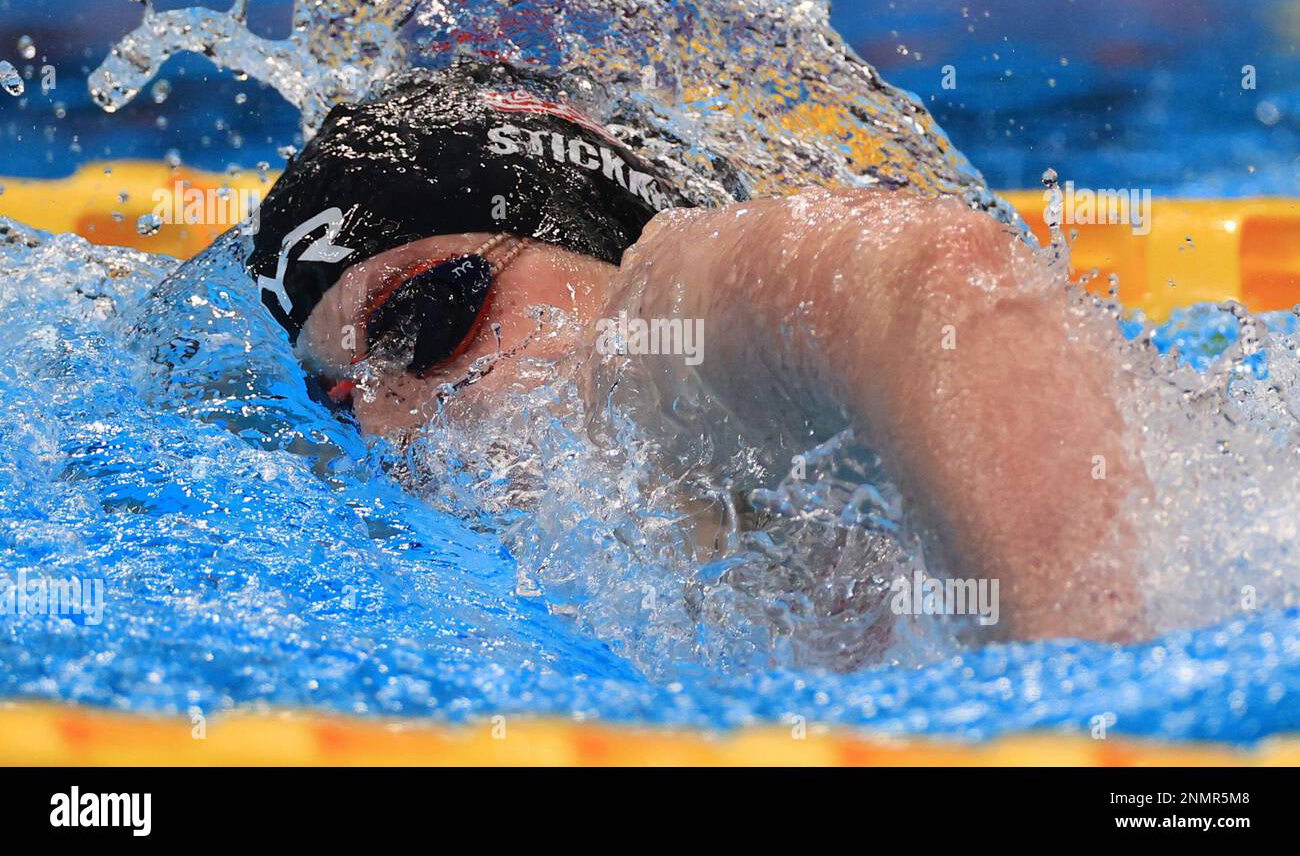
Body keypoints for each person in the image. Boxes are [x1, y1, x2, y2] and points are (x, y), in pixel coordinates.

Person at [247, 61, 1147, 644]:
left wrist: (1093, 712)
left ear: (595, 236)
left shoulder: (648, 322)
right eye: (343, 398)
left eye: (423, 320)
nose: (391, 422)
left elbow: (934, 275)